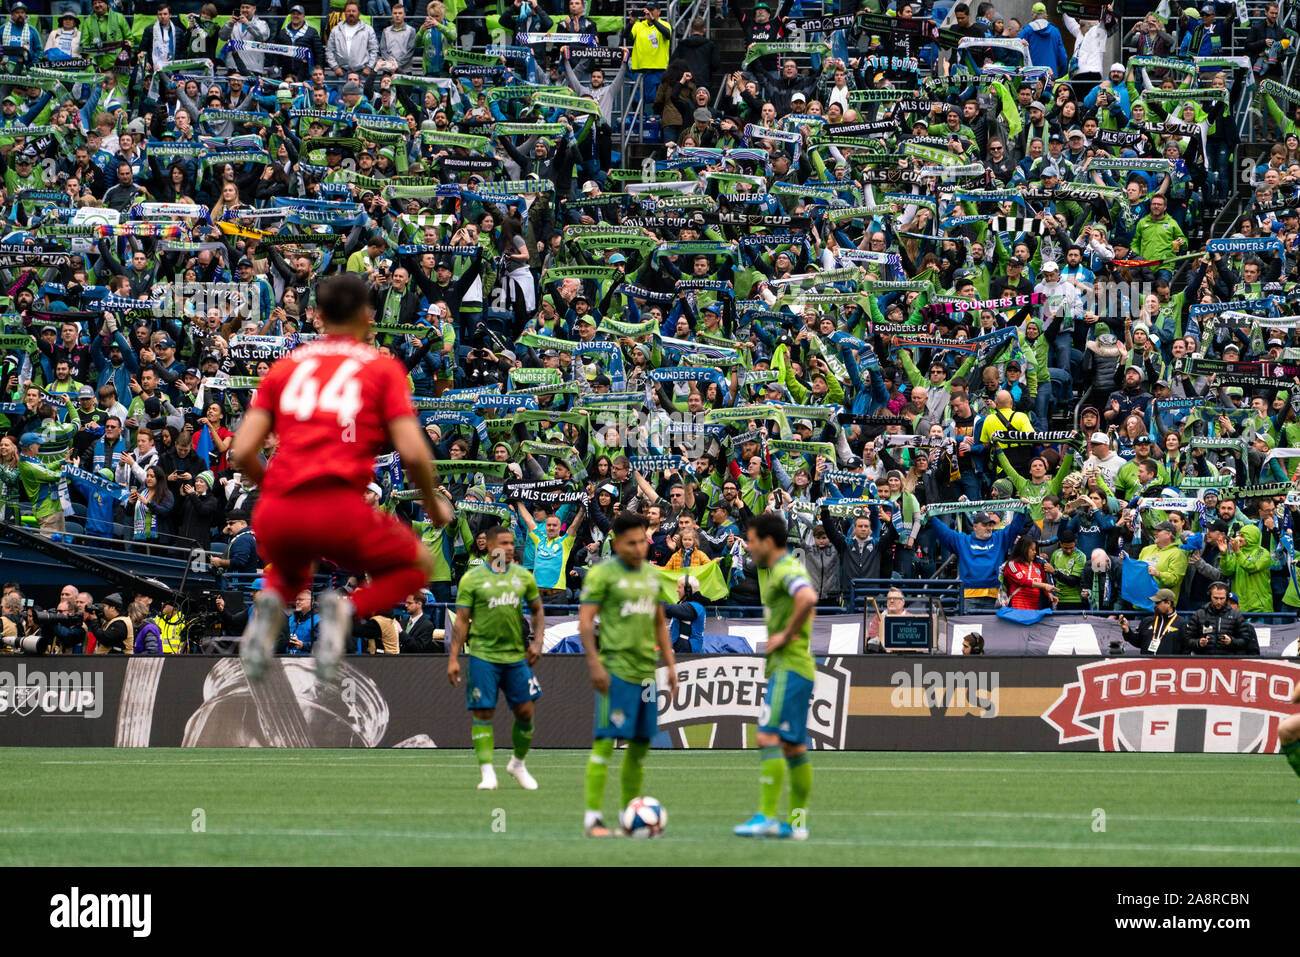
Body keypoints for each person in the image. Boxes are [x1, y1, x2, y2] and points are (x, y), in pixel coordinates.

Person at [230, 273, 452, 685]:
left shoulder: (284, 367)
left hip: (278, 511)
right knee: (417, 563)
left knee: (292, 568)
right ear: (367, 317)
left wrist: (273, 488)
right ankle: (345, 609)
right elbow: (412, 449)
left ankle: (269, 611)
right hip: (337, 503)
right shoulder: (380, 368)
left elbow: (241, 452)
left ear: (317, 315)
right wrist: (431, 500)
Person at [578, 511, 678, 838]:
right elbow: (585, 621)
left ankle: (625, 816)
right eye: (631, 543)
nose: (639, 549)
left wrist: (671, 665)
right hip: (615, 670)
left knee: (638, 748)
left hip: (646, 674)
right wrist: (594, 663)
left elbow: (658, 621)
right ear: (617, 543)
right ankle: (593, 819)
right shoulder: (602, 575)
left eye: (643, 542)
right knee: (606, 743)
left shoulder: (651, 576)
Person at [734, 512, 818, 841]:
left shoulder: (785, 568)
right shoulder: (781, 569)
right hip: (795, 667)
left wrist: (784, 636)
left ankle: (768, 817)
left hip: (789, 666)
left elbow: (808, 598)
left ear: (768, 542)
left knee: (767, 737)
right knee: (794, 747)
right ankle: (797, 824)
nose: (749, 546)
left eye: (752, 541)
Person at [448, 525, 546, 791]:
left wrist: (537, 642)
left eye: (512, 542)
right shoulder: (472, 579)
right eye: (504, 542)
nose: (510, 547)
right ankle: (487, 773)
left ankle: (518, 763)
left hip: (516, 656)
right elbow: (461, 621)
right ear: (490, 547)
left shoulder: (523, 577)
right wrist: (454, 658)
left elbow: (537, 611)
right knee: (484, 711)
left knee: (526, 711)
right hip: (483, 655)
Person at [926, 503, 1032, 610]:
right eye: (985, 525)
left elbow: (1014, 527)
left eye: (990, 525)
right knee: (968, 627)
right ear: (975, 526)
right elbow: (944, 532)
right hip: (968, 596)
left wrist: (1022, 510)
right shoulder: (963, 540)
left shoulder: (999, 538)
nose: (989, 528)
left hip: (993, 596)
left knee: (992, 627)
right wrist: (931, 517)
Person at [1187, 582, 1258, 655]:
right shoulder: (1199, 614)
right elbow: (1187, 639)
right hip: (1204, 659)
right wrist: (1198, 643)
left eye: (1222, 598)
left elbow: (1245, 641)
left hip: (1229, 660)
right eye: (1215, 598)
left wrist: (1231, 641)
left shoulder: (1236, 616)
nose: (1218, 602)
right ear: (1210, 596)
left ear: (1226, 598)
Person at [1118, 588, 1186, 655]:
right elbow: (1138, 642)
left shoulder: (1181, 624)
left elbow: (1186, 650)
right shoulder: (1147, 621)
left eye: (1157, 603)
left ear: (1168, 603)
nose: (1154, 605)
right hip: (1147, 664)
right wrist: (1126, 630)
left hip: (1168, 665)